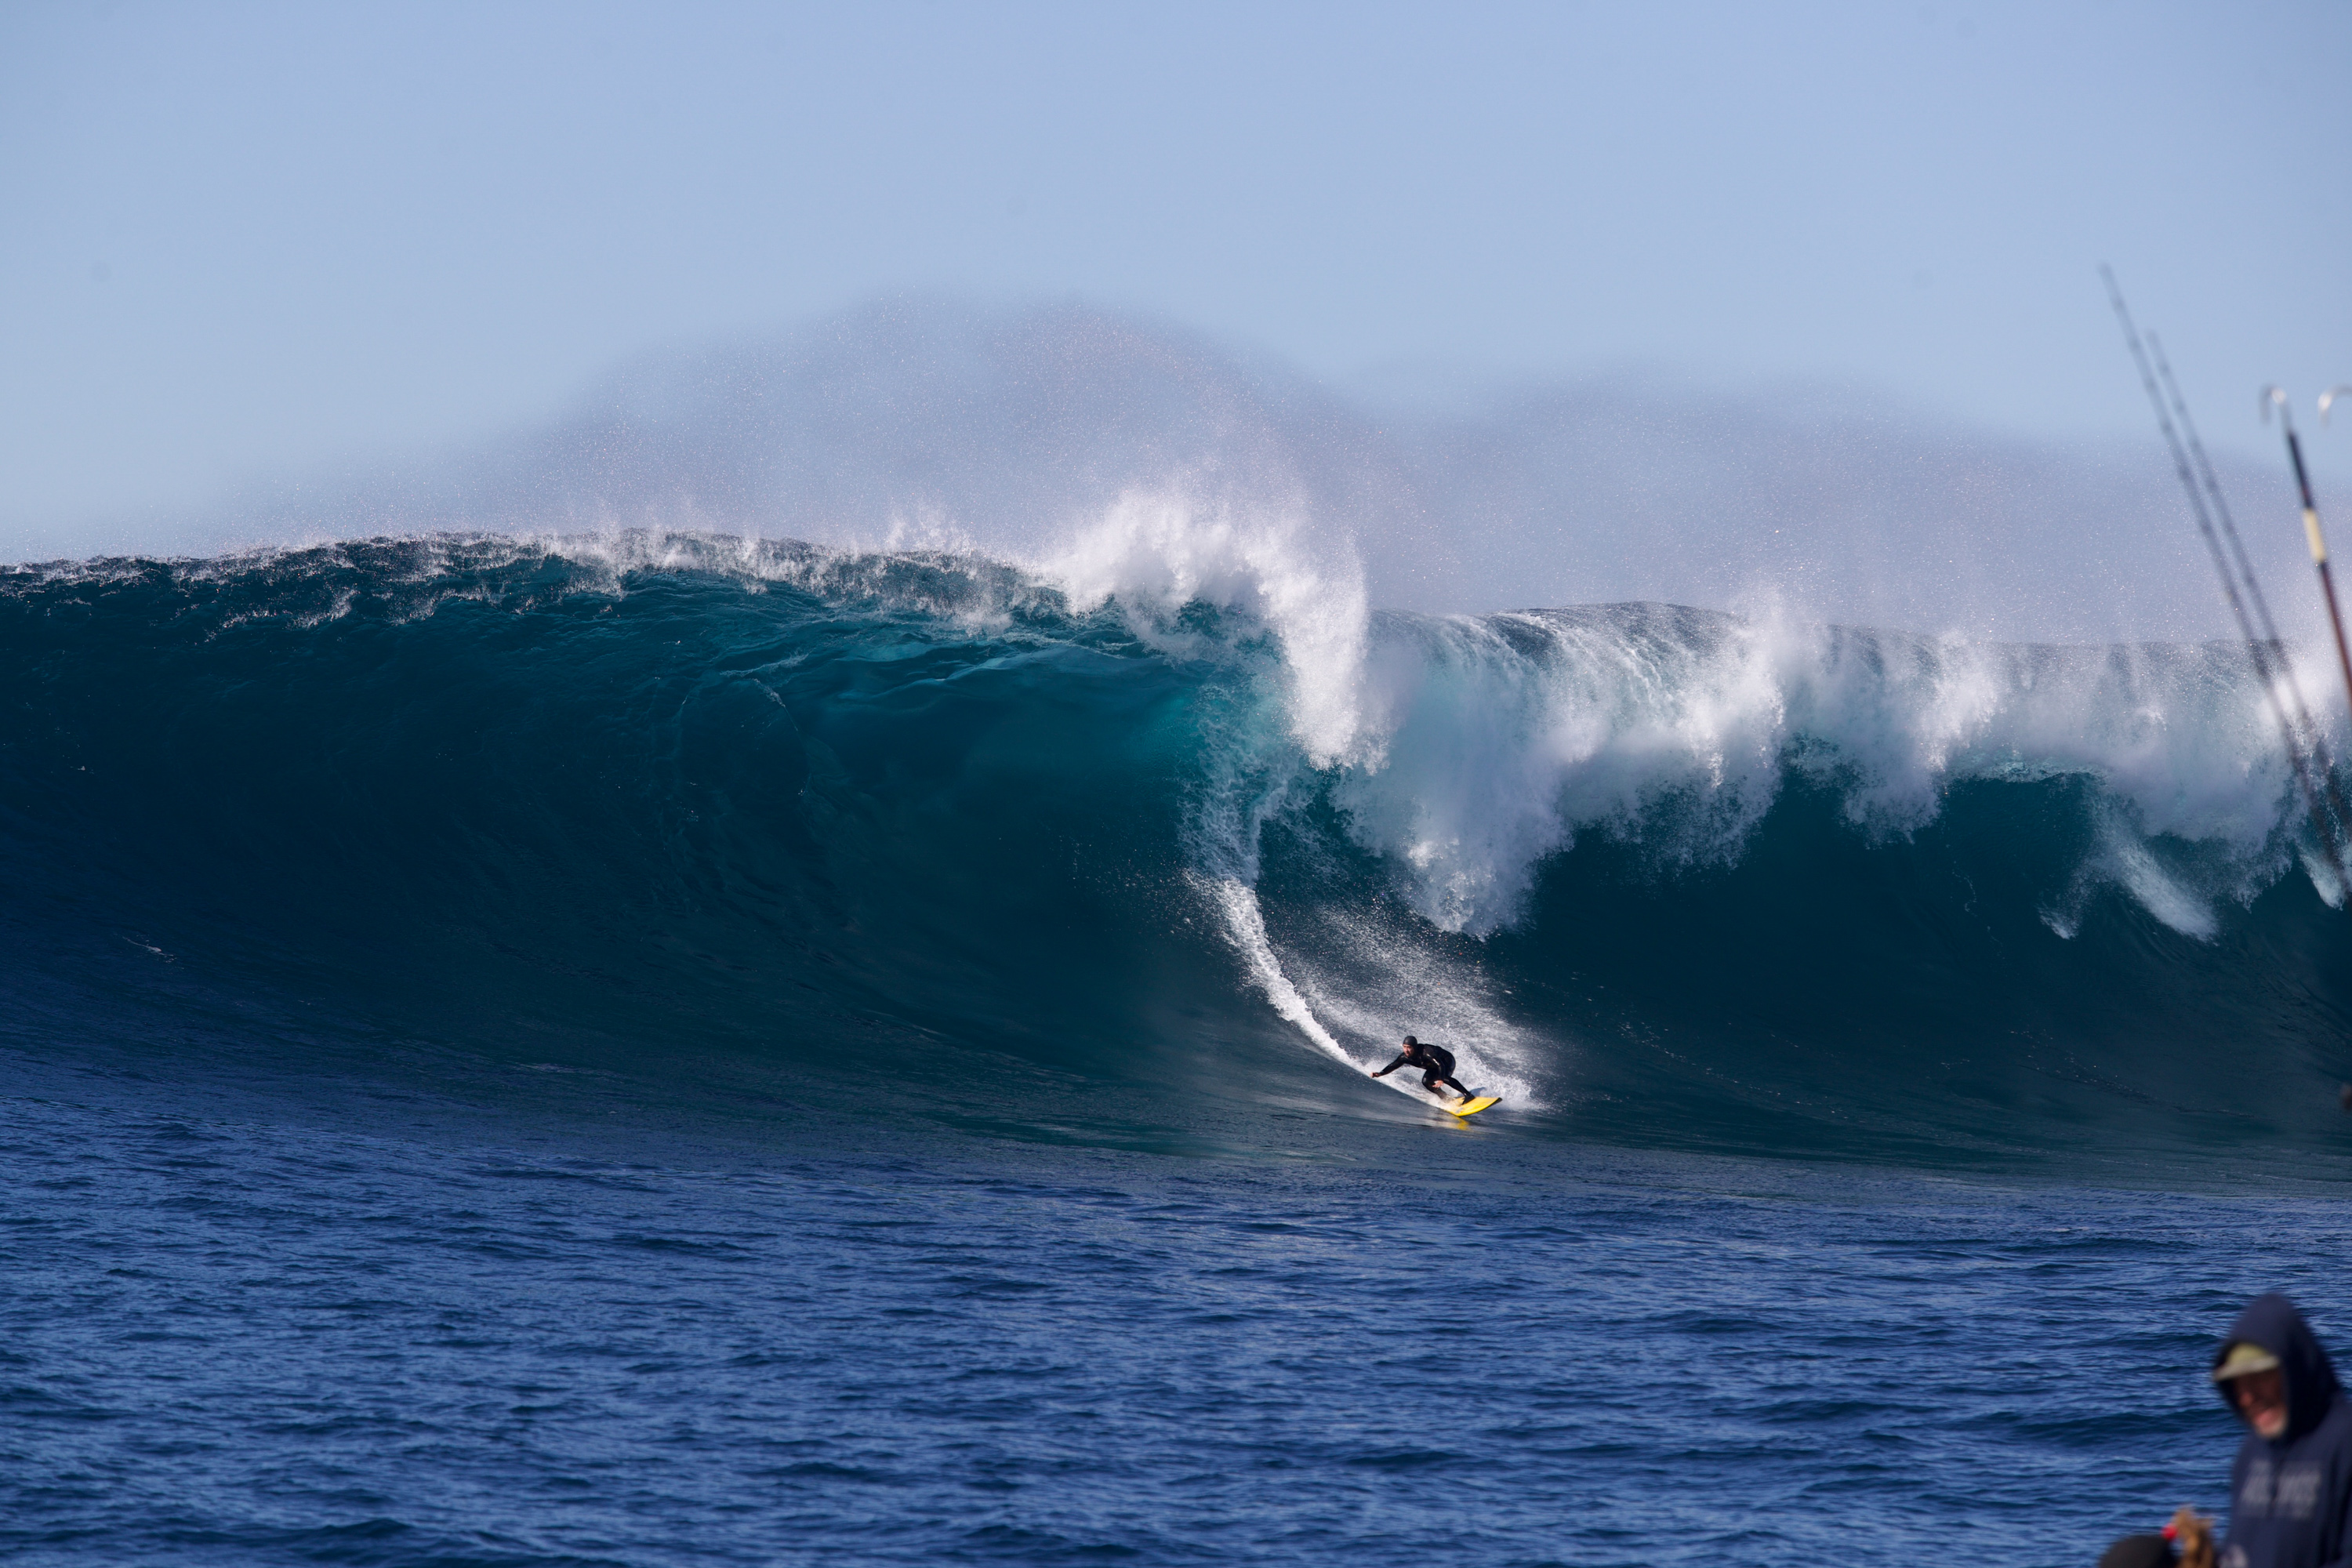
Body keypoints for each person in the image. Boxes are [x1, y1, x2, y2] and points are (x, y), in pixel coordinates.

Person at [2211, 1293, 2352, 1568]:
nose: (2248, 1397)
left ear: (2293, 1369)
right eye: (2238, 1384)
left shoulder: (2344, 1444)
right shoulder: (2251, 1456)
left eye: (2260, 1377)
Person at [1372, 1035, 1473, 1103]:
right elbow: (1393, 1066)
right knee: (1426, 1081)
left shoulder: (1427, 1052)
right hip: (1433, 1066)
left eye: (1409, 1047)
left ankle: (1468, 1095)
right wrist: (1380, 1074)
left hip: (1446, 1061)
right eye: (1404, 1047)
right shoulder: (1404, 1057)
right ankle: (1446, 1098)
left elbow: (1440, 1065)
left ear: (1415, 1047)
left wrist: (1441, 1079)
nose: (1406, 1050)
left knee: (1445, 1077)